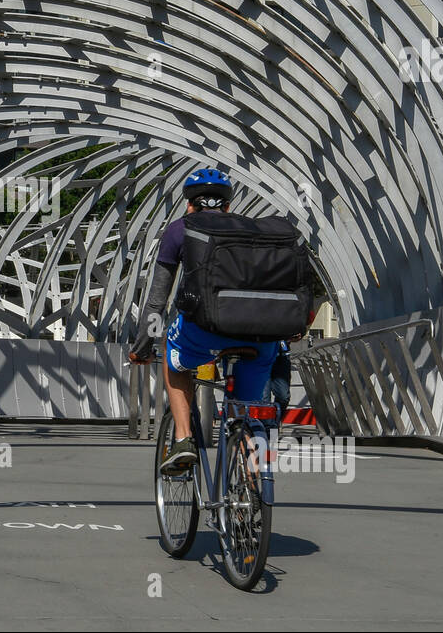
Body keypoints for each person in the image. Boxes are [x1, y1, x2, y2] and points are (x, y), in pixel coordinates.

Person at [128, 169, 314, 473]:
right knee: (248, 413)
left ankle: (183, 439)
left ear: (189, 204)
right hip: (261, 338)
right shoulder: (252, 230)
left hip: (205, 332)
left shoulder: (179, 230)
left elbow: (156, 301)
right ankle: (252, 486)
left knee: (173, 358)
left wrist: (143, 347)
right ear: (228, 206)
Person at [265, 340, 293, 414]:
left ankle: (274, 419)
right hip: (262, 355)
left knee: (283, 396)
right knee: (263, 399)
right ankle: (268, 424)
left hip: (281, 357)